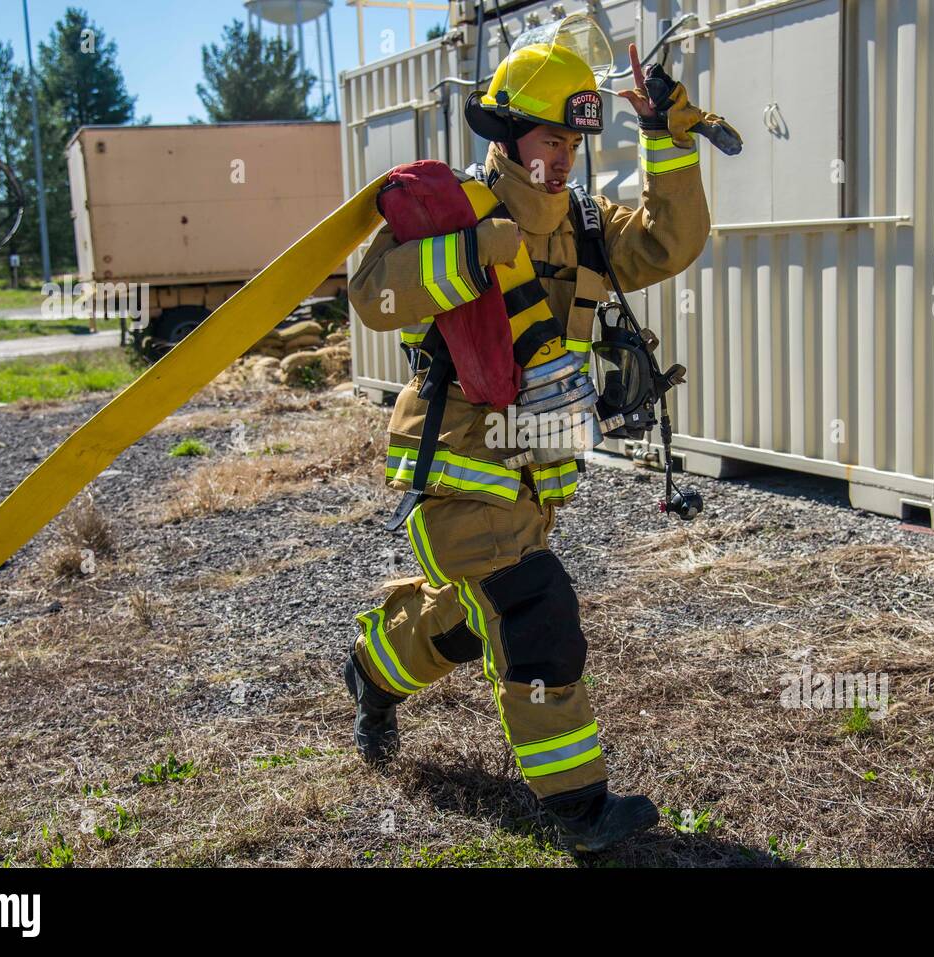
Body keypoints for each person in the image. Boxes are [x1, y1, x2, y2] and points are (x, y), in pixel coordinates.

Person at [343, 33, 712, 852]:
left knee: (474, 621)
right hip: (458, 466)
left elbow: (670, 243)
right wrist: (472, 257)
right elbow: (372, 295)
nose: (568, 157)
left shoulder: (583, 222)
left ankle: (372, 668)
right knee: (537, 609)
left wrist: (666, 140)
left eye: (578, 141)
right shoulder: (455, 208)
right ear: (506, 136)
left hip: (538, 469)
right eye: (554, 139)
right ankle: (580, 808)